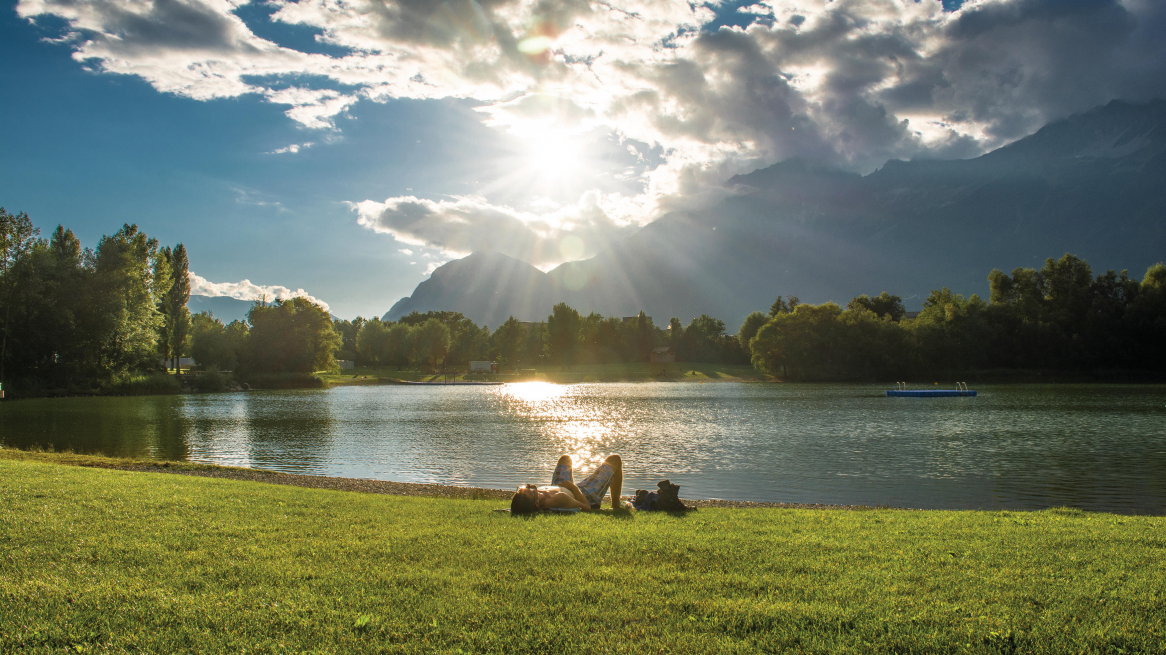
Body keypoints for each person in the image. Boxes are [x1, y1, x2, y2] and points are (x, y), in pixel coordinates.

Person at [510, 454, 623, 514]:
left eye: (523, 488)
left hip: (560, 485)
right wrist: (572, 487)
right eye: (529, 491)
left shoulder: (537, 496)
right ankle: (616, 504)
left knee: (565, 459)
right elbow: (587, 508)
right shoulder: (559, 499)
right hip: (583, 493)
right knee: (614, 460)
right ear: (536, 503)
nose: (528, 487)